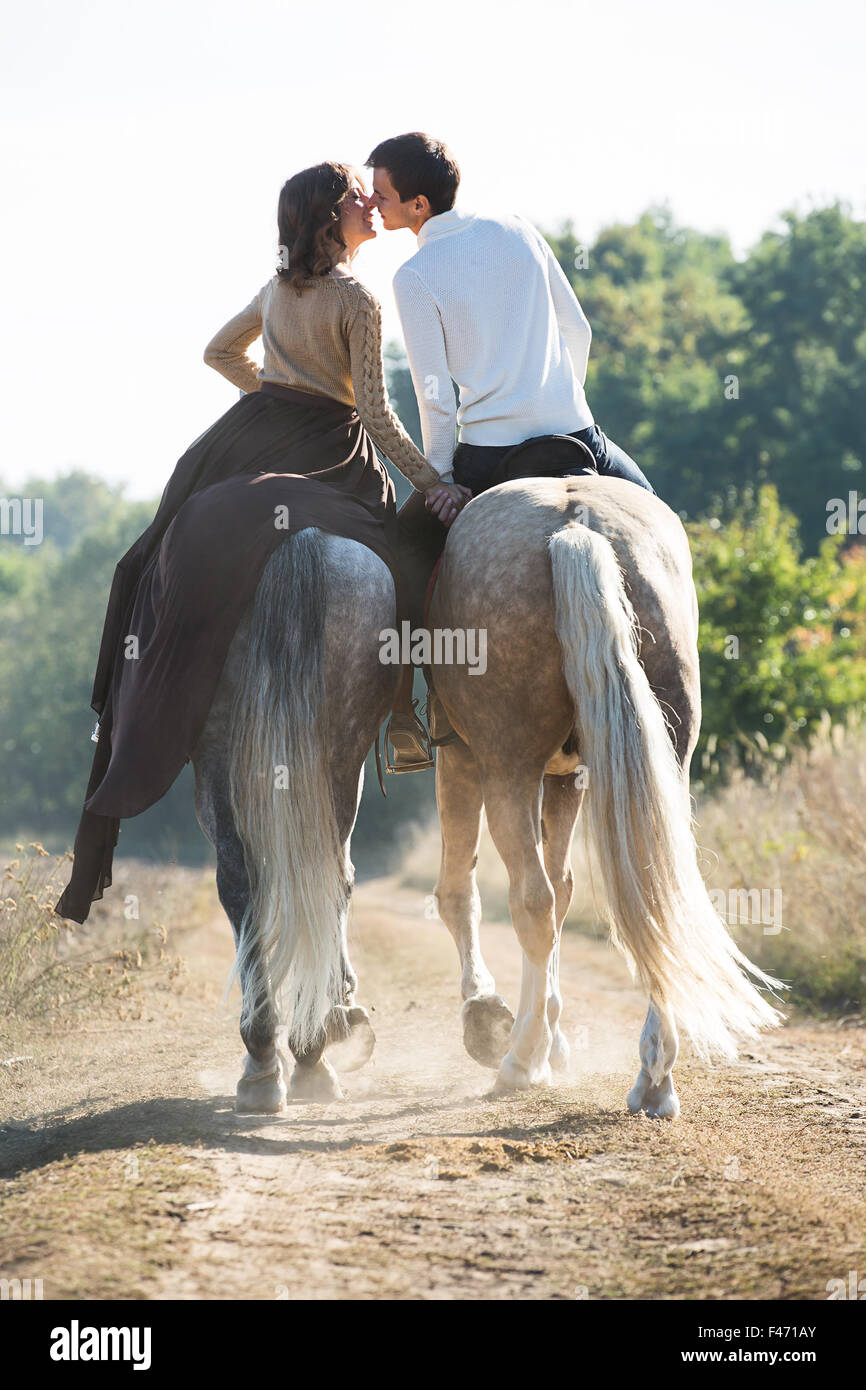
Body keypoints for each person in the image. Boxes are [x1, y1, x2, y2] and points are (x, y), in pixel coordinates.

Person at [56, 160, 449, 924]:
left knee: (143, 560)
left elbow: (218, 353)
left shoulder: (276, 291)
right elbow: (374, 414)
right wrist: (432, 481)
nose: (371, 204)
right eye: (357, 199)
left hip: (249, 438)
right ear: (332, 219)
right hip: (332, 451)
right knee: (404, 557)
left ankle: (116, 707)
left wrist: (274, 398)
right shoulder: (358, 300)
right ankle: (404, 716)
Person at [365, 132, 656, 770]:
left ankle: (405, 715)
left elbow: (436, 397)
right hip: (579, 438)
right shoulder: (519, 229)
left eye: (382, 195)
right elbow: (577, 329)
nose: (372, 204)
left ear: (418, 205)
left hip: (490, 459)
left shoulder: (415, 275)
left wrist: (440, 479)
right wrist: (557, 398)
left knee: (400, 559)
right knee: (657, 529)